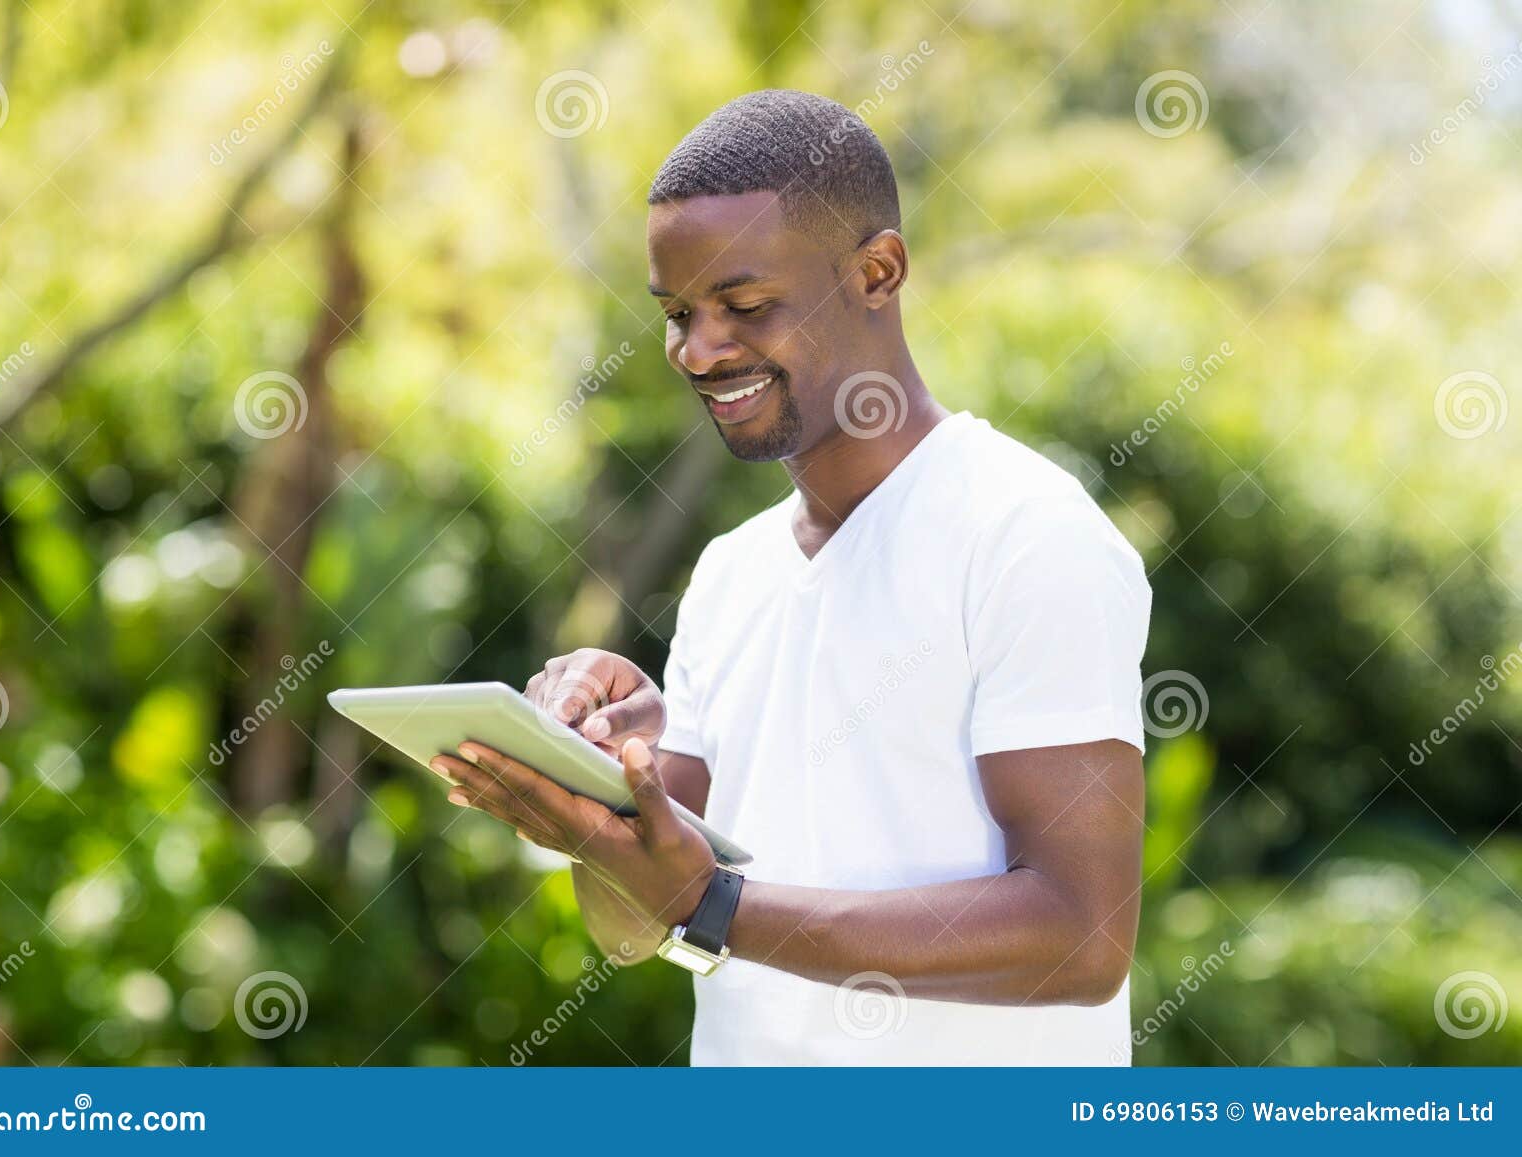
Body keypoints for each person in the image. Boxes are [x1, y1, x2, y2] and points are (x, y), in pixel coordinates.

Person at [432, 89, 1152, 1065]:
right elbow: (629, 928)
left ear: (876, 272)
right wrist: (595, 794)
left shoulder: (1025, 534)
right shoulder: (731, 576)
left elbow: (1080, 936)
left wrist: (714, 902)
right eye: (679, 313)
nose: (698, 348)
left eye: (744, 305)